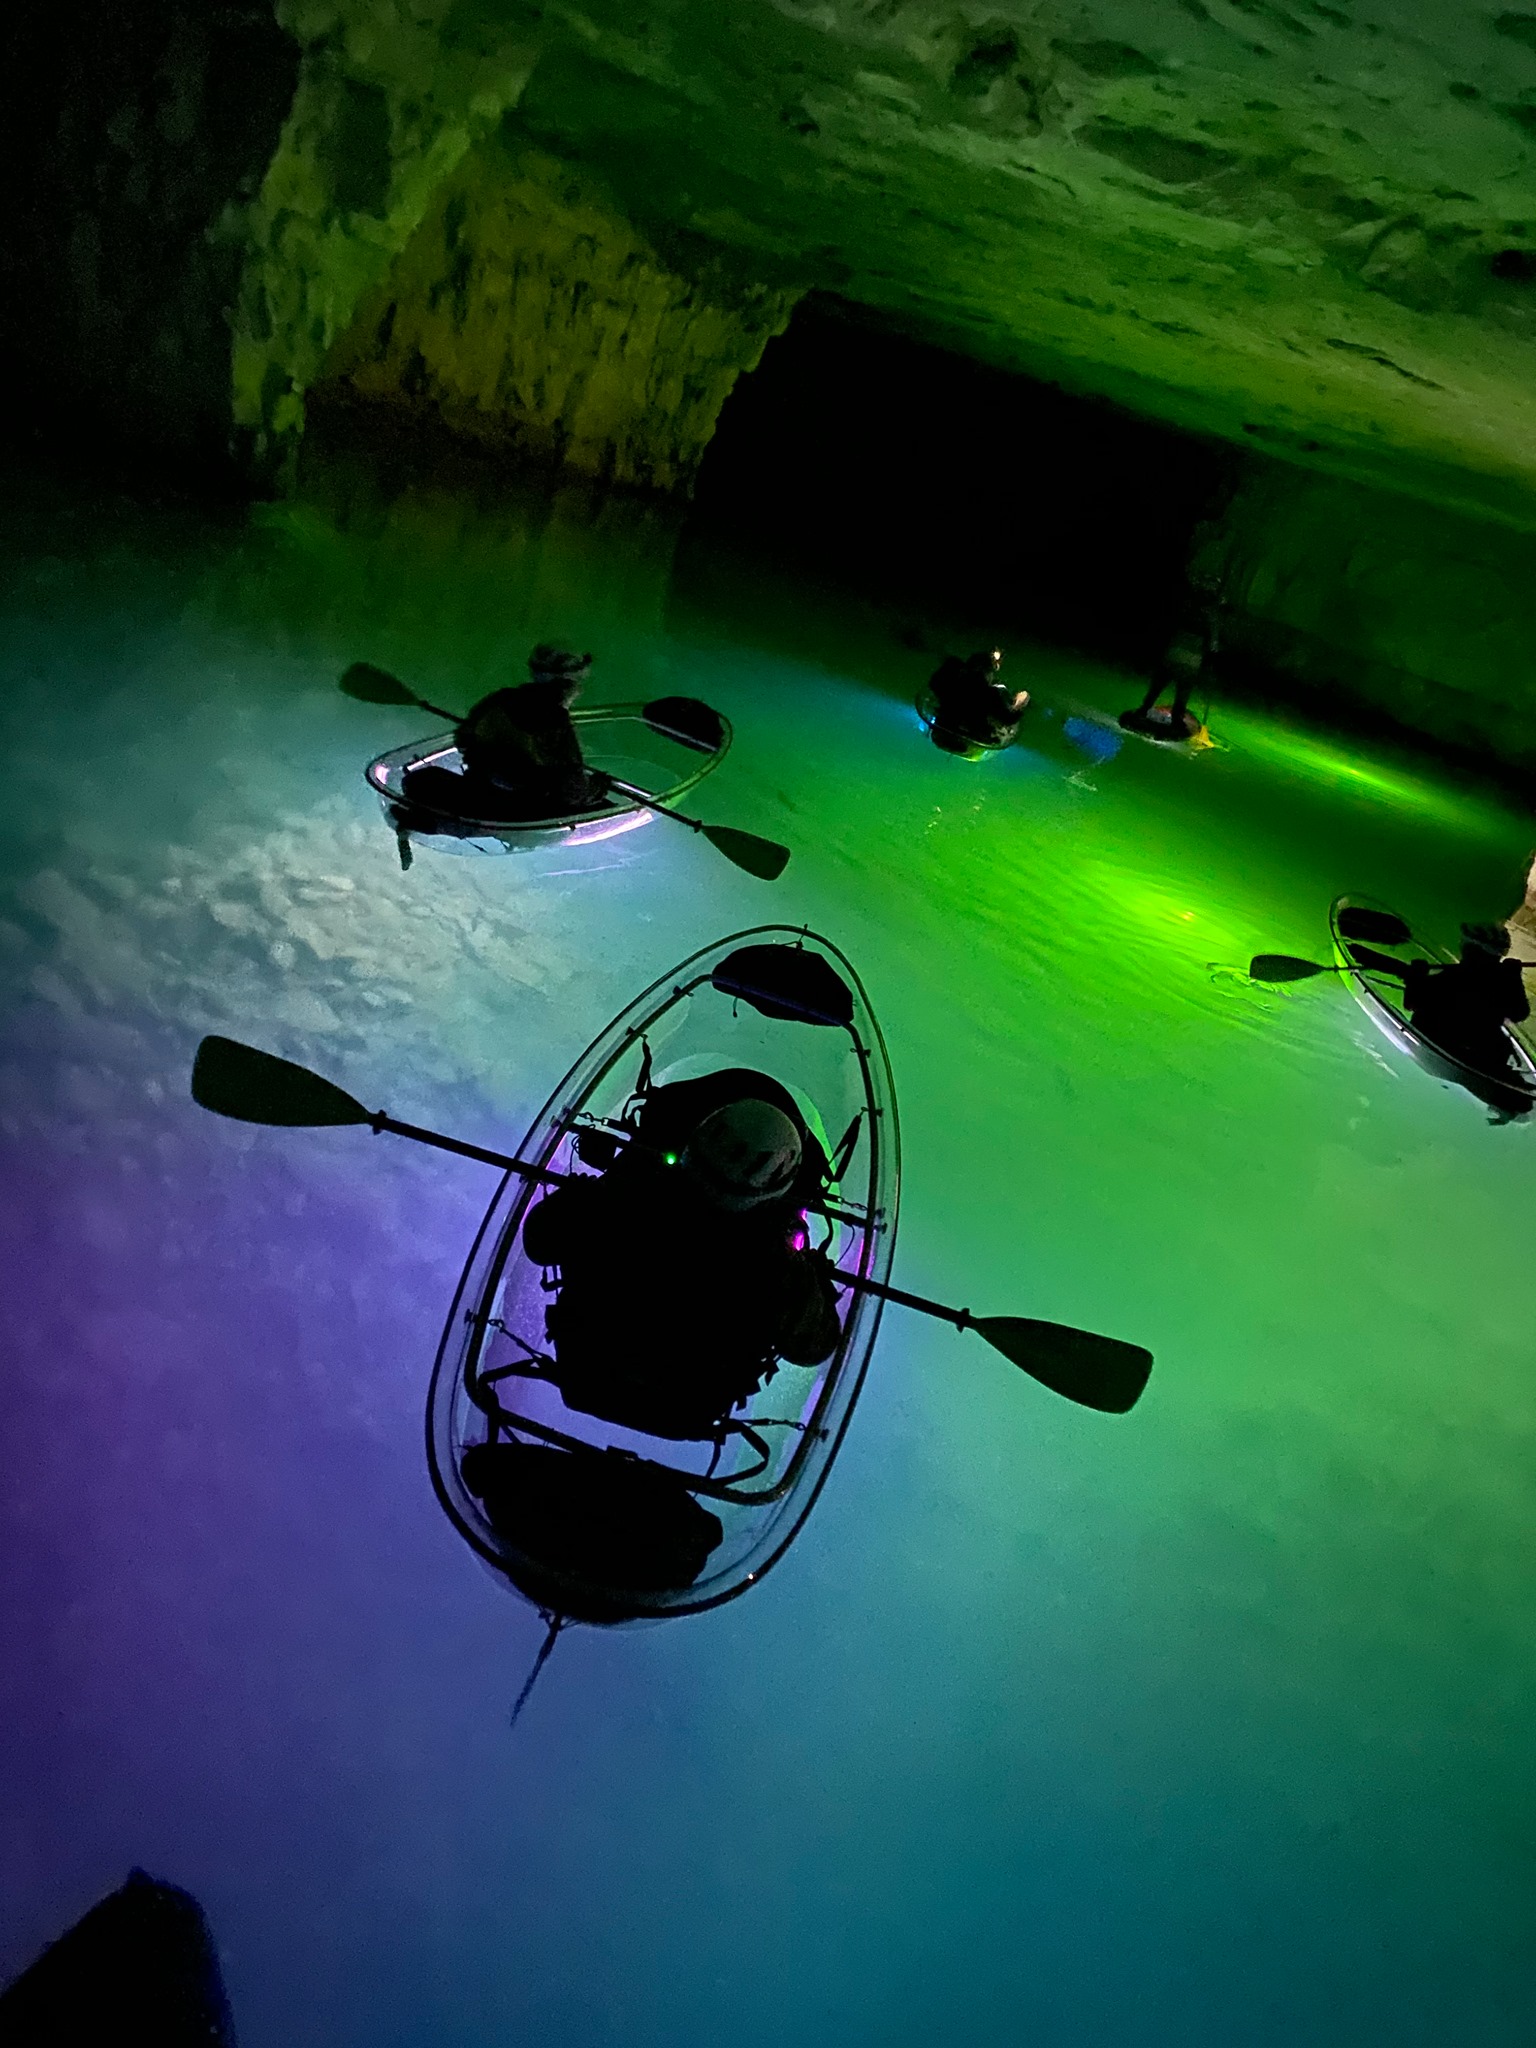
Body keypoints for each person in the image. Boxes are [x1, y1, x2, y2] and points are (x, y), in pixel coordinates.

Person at [522, 1074, 843, 1441]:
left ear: (694, 1144)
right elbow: (814, 1348)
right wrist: (808, 1276)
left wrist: (589, 1192)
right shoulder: (775, 1270)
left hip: (585, 1377)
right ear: (777, 1189)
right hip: (682, 1411)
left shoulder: (621, 1202)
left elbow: (539, 1241)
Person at [399, 642, 600, 826]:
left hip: (481, 786)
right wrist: (594, 789)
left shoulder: (500, 699)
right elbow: (571, 788)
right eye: (578, 682)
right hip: (518, 805)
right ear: (567, 683)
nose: (579, 690)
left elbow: (464, 739)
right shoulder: (555, 719)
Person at [1402, 923, 1530, 1073]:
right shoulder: (1502, 981)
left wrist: (1416, 977)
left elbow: (1411, 1002)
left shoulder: (1451, 978)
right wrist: (1514, 978)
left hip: (1438, 1051)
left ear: (1470, 949)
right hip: (1481, 1058)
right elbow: (1519, 1013)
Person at [1121, 573, 1221, 741]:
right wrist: (1212, 653)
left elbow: (1171, 622)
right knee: (1183, 689)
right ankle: (1176, 719)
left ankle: (1144, 709)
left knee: (1159, 683)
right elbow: (1213, 642)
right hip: (1191, 657)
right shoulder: (1212, 612)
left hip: (1174, 650)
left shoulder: (1187, 603)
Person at [926, 647, 1028, 754]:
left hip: (941, 731)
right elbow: (1008, 719)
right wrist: (1020, 703)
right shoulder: (989, 694)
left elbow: (934, 684)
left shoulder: (952, 680)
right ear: (987, 672)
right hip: (970, 741)